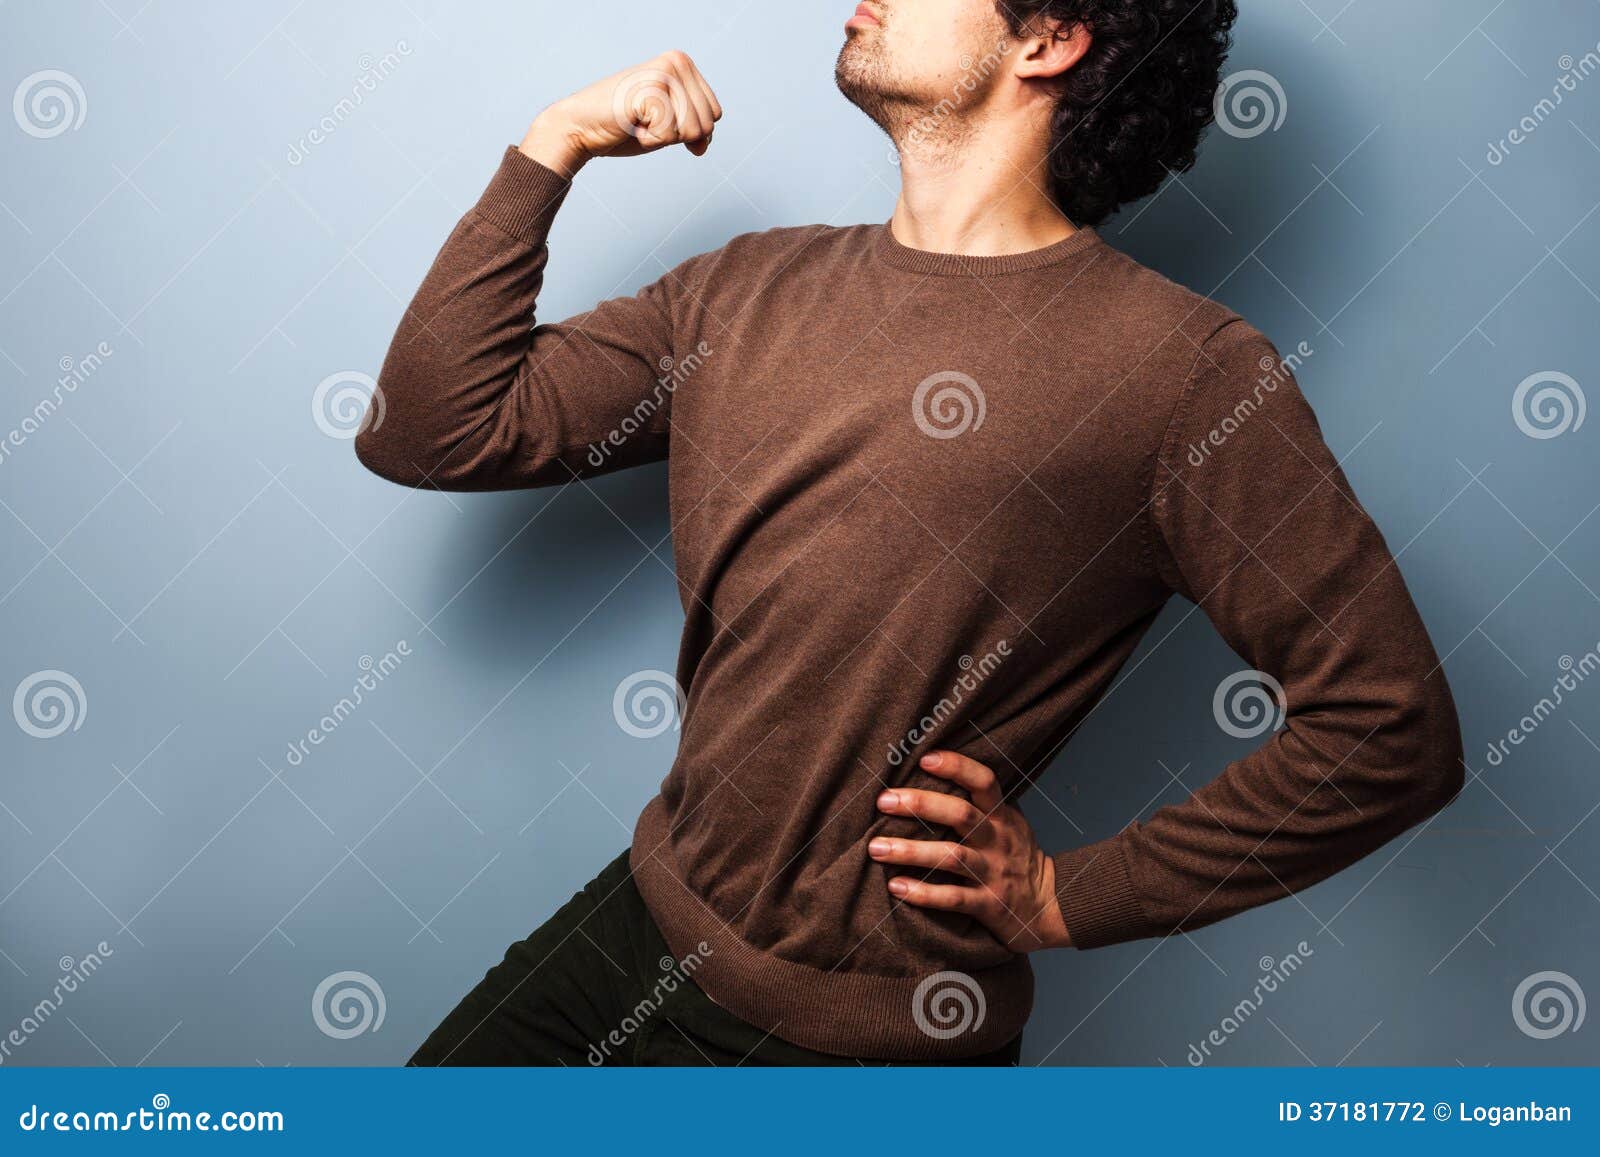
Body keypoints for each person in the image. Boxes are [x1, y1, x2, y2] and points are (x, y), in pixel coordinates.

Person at [356, 0, 1463, 1066]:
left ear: (1048, 38)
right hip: (629, 933)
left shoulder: (1183, 376)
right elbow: (432, 432)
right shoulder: (743, 288)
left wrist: (1070, 896)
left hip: (863, 1046)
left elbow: (1388, 728)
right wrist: (554, 145)